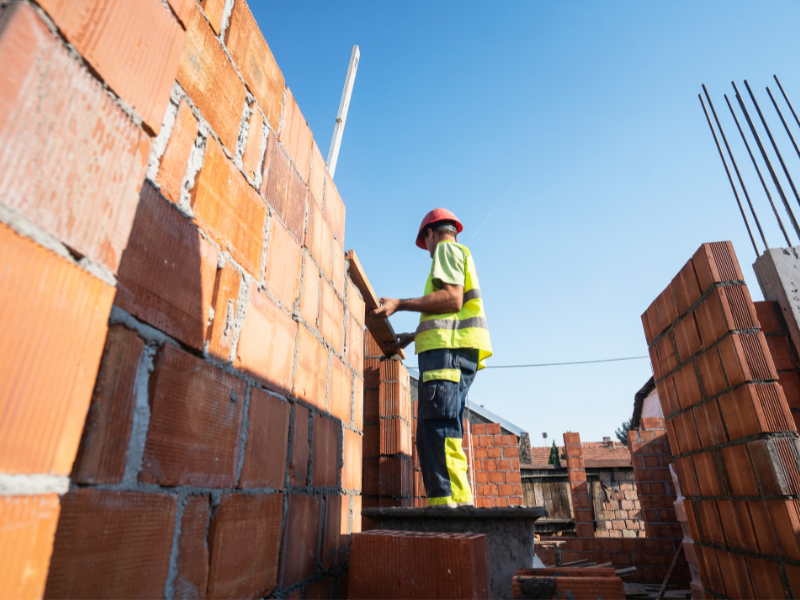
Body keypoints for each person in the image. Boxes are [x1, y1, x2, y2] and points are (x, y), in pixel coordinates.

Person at [372, 208, 492, 507]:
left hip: (447, 356)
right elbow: (446, 315)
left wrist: (398, 304)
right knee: (441, 429)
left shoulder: (447, 250)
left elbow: (452, 299)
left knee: (436, 432)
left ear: (430, 234)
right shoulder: (458, 254)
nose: (426, 250)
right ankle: (456, 504)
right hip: (454, 353)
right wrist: (413, 336)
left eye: (424, 242)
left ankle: (449, 509)